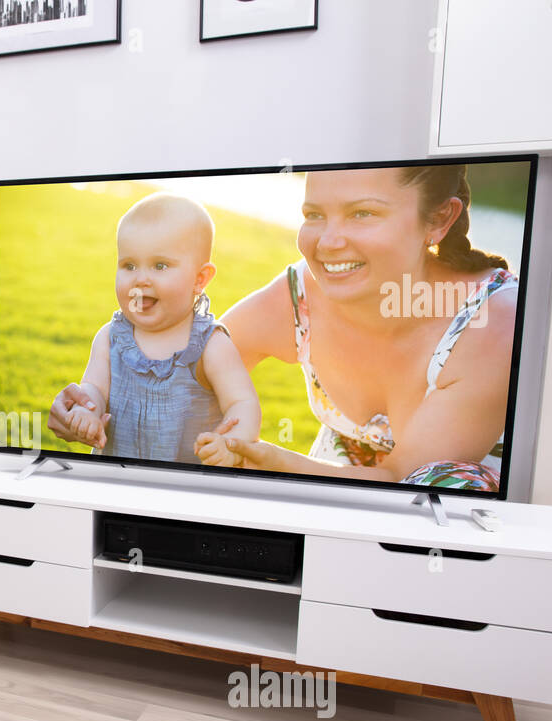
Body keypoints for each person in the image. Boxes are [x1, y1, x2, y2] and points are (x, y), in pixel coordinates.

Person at [49, 165, 517, 492]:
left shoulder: (490, 322)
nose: (328, 242)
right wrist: (92, 405)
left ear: (439, 219)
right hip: (335, 491)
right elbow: (184, 369)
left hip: (442, 538)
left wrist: (272, 463)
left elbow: (399, 482)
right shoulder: (299, 296)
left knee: (443, 484)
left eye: (363, 213)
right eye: (314, 215)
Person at [57, 192, 260, 466]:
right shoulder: (110, 339)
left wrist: (232, 442)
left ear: (199, 279)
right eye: (129, 265)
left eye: (160, 265)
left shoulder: (210, 345)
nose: (141, 279)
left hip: (186, 490)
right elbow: (94, 388)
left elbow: (243, 404)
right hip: (117, 483)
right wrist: (86, 411)